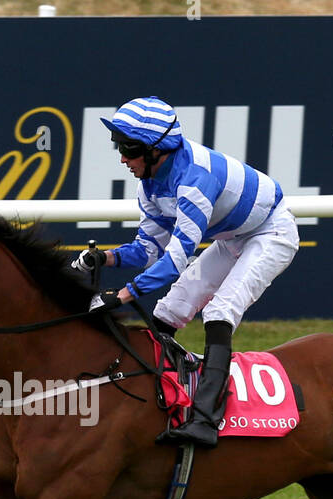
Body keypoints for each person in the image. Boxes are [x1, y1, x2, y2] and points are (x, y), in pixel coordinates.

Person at [73, 96, 299, 448]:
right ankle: (157, 399)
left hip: (271, 232)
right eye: (118, 146)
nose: (122, 158)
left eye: (129, 149)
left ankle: (208, 419)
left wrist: (121, 296)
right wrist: (105, 258)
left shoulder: (193, 181)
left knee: (220, 310)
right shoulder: (148, 182)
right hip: (232, 237)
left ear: (156, 150)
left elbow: (175, 260)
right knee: (168, 309)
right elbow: (148, 250)